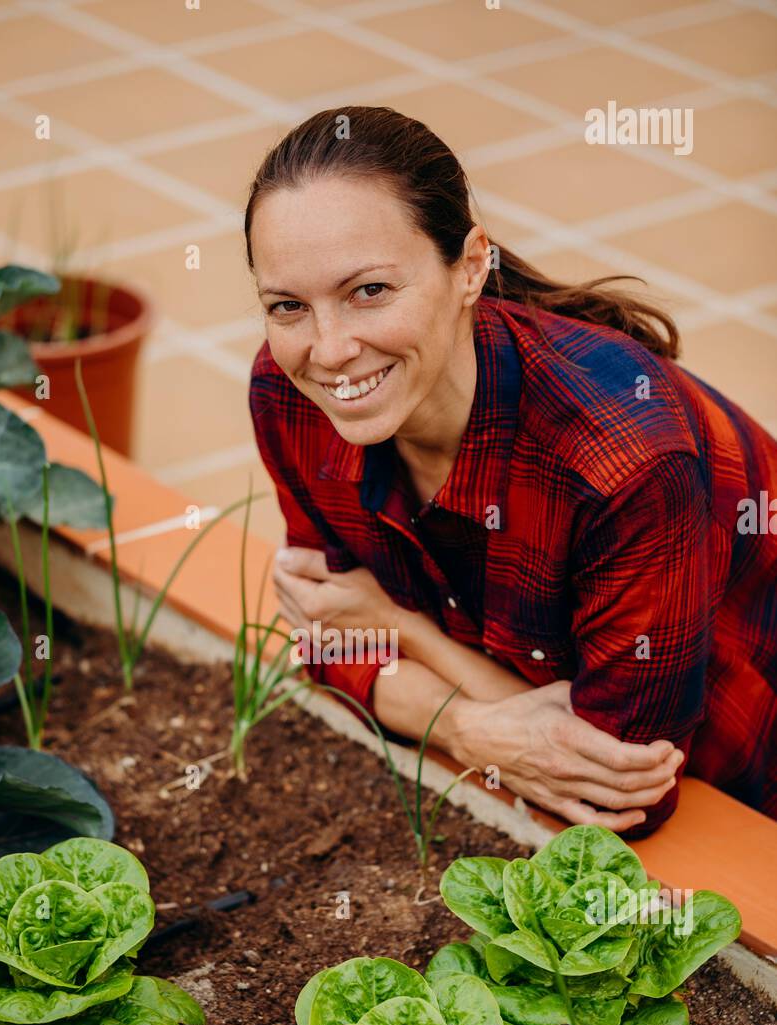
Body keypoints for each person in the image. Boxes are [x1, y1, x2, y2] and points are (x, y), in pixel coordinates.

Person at [244, 106, 777, 836]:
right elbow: (331, 638)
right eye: (288, 306)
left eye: (369, 291)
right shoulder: (289, 397)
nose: (329, 350)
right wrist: (466, 728)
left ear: (469, 267)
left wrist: (408, 634)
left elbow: (621, 792)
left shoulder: (622, 459)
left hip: (751, 767)